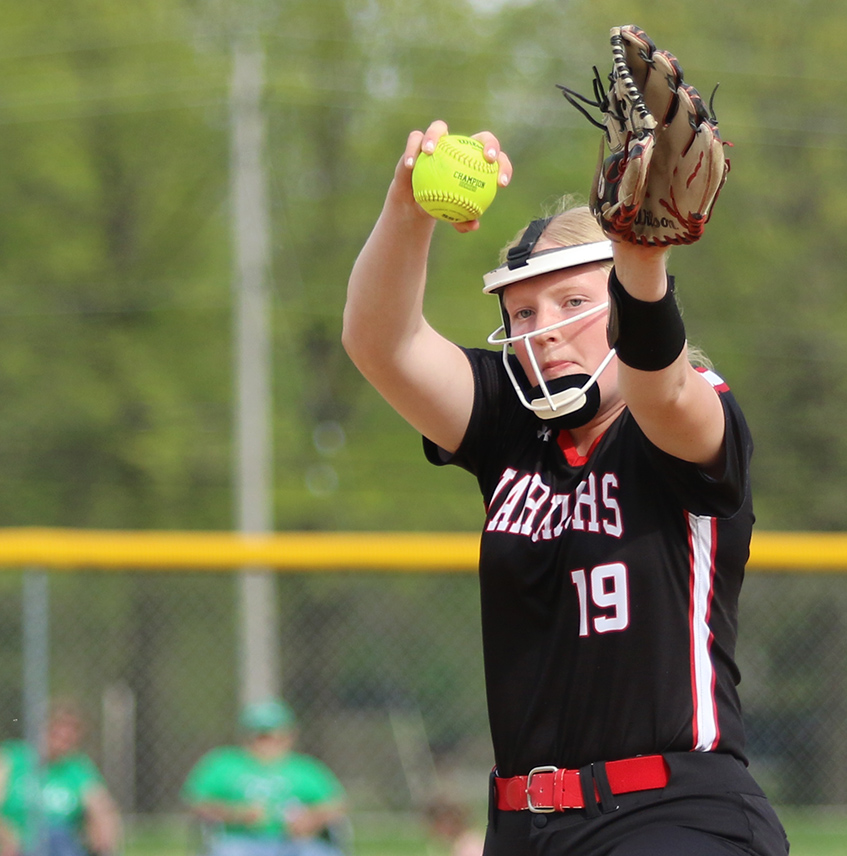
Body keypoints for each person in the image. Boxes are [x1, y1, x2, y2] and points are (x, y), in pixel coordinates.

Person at [343, 118, 789, 856]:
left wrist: (640, 263)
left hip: (671, 813)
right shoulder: (513, 428)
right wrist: (407, 208)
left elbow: (662, 389)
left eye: (572, 303)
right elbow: (380, 343)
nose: (542, 329)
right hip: (523, 827)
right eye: (522, 311)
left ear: (626, 301)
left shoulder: (683, 409)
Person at [181, 699, 347, 856]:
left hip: (292, 841)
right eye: (262, 735)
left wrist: (310, 819)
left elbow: (336, 805)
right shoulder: (224, 764)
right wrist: (237, 814)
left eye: (278, 734)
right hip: (238, 840)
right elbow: (196, 802)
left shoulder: (304, 768)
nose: (270, 741)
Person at [0, 700, 122, 856]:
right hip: (19, 844)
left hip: (63, 844)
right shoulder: (10, 758)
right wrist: (4, 834)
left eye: (70, 735)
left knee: (56, 835)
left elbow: (102, 809)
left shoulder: (77, 768)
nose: (63, 739)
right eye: (57, 732)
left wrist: (103, 839)